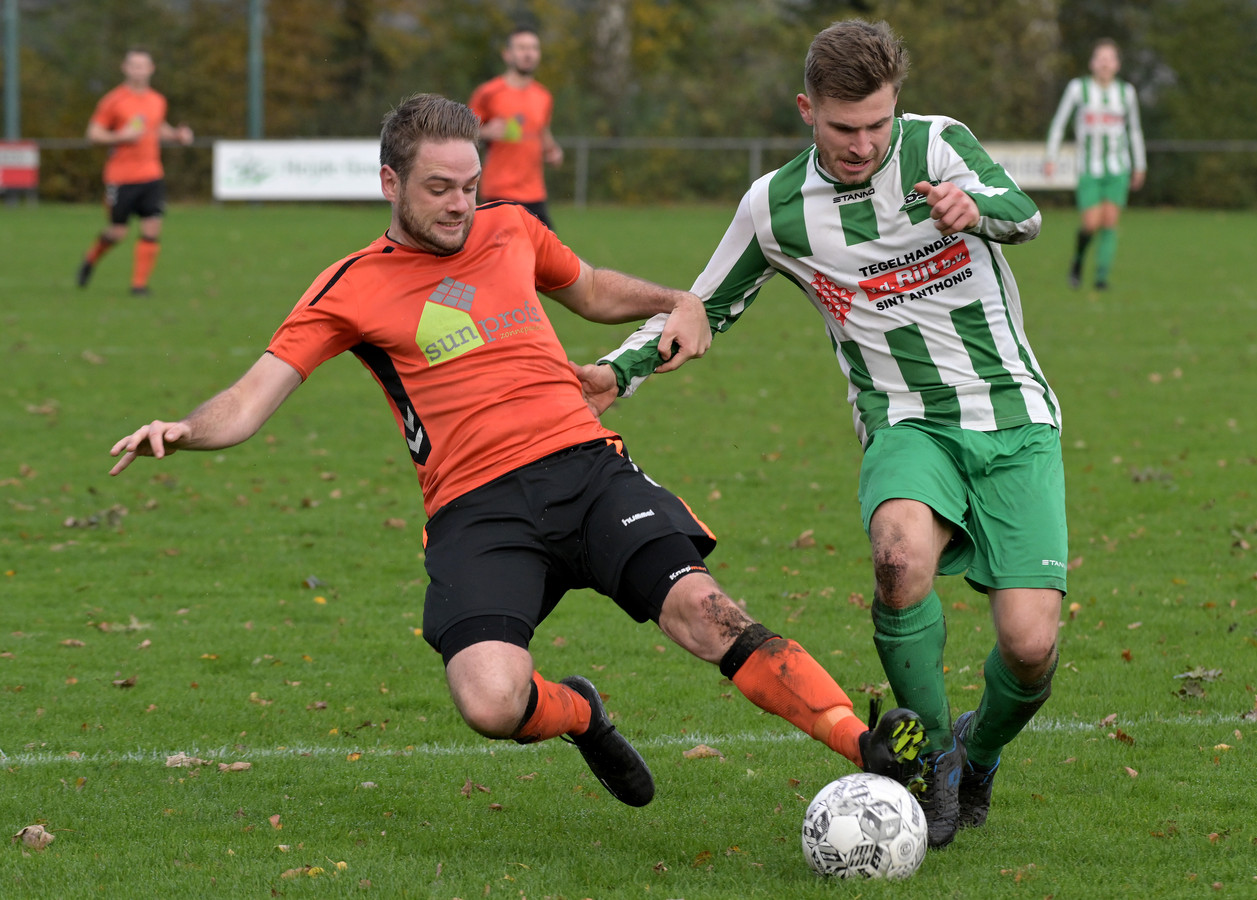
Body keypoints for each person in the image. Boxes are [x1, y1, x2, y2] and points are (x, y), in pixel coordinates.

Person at [107, 93, 926, 811]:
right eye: (439, 189)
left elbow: (593, 287)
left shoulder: (509, 229)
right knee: (491, 701)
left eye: (470, 186)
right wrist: (184, 428)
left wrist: (677, 298)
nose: (461, 205)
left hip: (585, 467)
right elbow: (251, 399)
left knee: (706, 614)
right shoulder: (348, 287)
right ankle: (582, 713)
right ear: (390, 183)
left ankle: (865, 747)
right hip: (477, 507)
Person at [575, 20, 1065, 848]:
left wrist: (972, 207)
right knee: (898, 558)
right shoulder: (774, 207)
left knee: (1028, 646)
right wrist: (616, 373)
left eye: (878, 123)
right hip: (904, 422)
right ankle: (936, 760)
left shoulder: (939, 144)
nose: (863, 143)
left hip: (1013, 416)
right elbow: (707, 300)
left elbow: (1025, 215)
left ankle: (978, 754)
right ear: (807, 110)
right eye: (844, 127)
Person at [78, 48, 194, 295]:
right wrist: (122, 136)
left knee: (152, 226)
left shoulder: (157, 100)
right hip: (121, 177)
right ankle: (90, 258)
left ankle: (139, 285)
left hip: (152, 174)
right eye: (134, 65)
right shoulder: (113, 100)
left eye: (143, 66)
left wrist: (176, 135)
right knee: (118, 232)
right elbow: (93, 134)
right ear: (125, 68)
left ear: (151, 69)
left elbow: (156, 126)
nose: (138, 70)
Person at [1044, 38, 1146, 290]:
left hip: (1117, 168)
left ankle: (1101, 277)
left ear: (1118, 64)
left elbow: (1134, 131)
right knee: (1091, 223)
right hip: (1088, 169)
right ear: (1092, 63)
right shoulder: (1078, 89)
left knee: (1110, 221)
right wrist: (1051, 157)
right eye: (1100, 58)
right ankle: (1077, 262)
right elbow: (1059, 124)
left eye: (1109, 58)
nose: (1104, 63)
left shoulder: (1126, 93)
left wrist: (1139, 164)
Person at [468, 26, 564, 231]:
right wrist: (485, 132)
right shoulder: (488, 93)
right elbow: (462, 132)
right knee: (500, 258)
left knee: (550, 258)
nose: (528, 53)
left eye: (533, 48)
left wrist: (552, 150)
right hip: (500, 190)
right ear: (507, 54)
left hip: (534, 192)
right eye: (521, 48)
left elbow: (542, 130)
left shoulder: (543, 96)